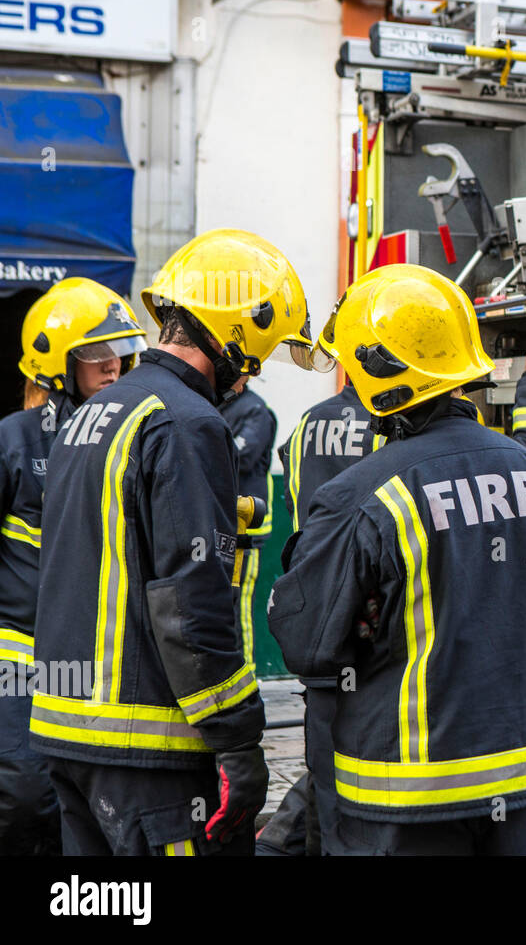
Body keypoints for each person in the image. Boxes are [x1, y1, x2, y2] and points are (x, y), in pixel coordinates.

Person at [268, 264, 526, 855]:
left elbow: (308, 644)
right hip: (521, 786)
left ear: (379, 379)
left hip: (403, 794)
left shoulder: (362, 494)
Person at [30, 229, 314, 856]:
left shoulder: (93, 416)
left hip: (67, 732)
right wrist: (238, 740)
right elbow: (190, 601)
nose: (255, 372)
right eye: (260, 353)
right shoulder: (187, 423)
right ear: (239, 332)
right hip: (146, 751)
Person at [0, 279, 147, 855]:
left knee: (91, 810)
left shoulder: (132, 435)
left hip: (99, 659)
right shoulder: (14, 441)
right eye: (95, 355)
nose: (113, 367)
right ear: (57, 364)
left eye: (120, 352)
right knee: (26, 794)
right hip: (24, 657)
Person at [220, 385, 277, 666]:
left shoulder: (255, 410)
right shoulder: (218, 403)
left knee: (239, 606)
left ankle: (247, 675)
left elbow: (240, 456)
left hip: (247, 530)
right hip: (219, 523)